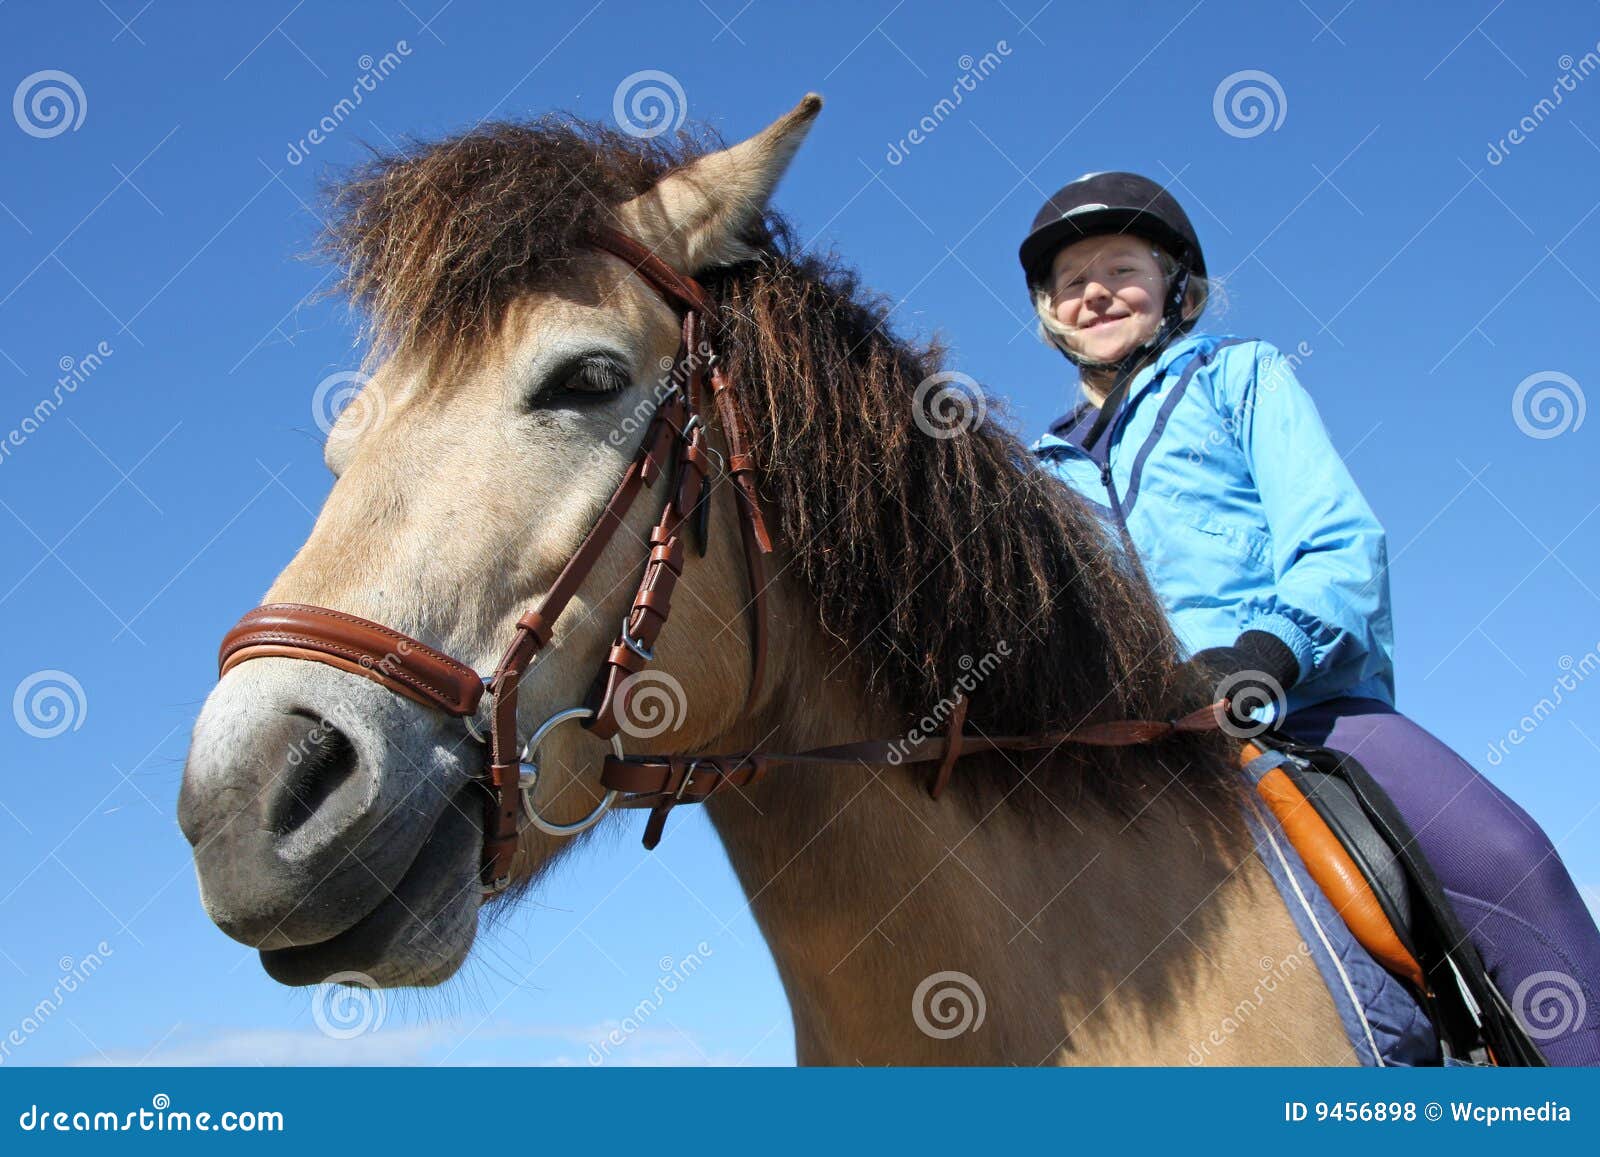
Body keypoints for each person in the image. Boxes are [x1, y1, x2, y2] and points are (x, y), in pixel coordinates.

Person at [1020, 171, 1600, 1065]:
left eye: (1120, 267)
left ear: (1179, 287)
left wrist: (1261, 656)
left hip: (1300, 706)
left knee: (1509, 857)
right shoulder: (1032, 472)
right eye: (1070, 280)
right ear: (1048, 314)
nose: (1094, 290)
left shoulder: (1239, 375)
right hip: (1129, 745)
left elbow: (1337, 542)